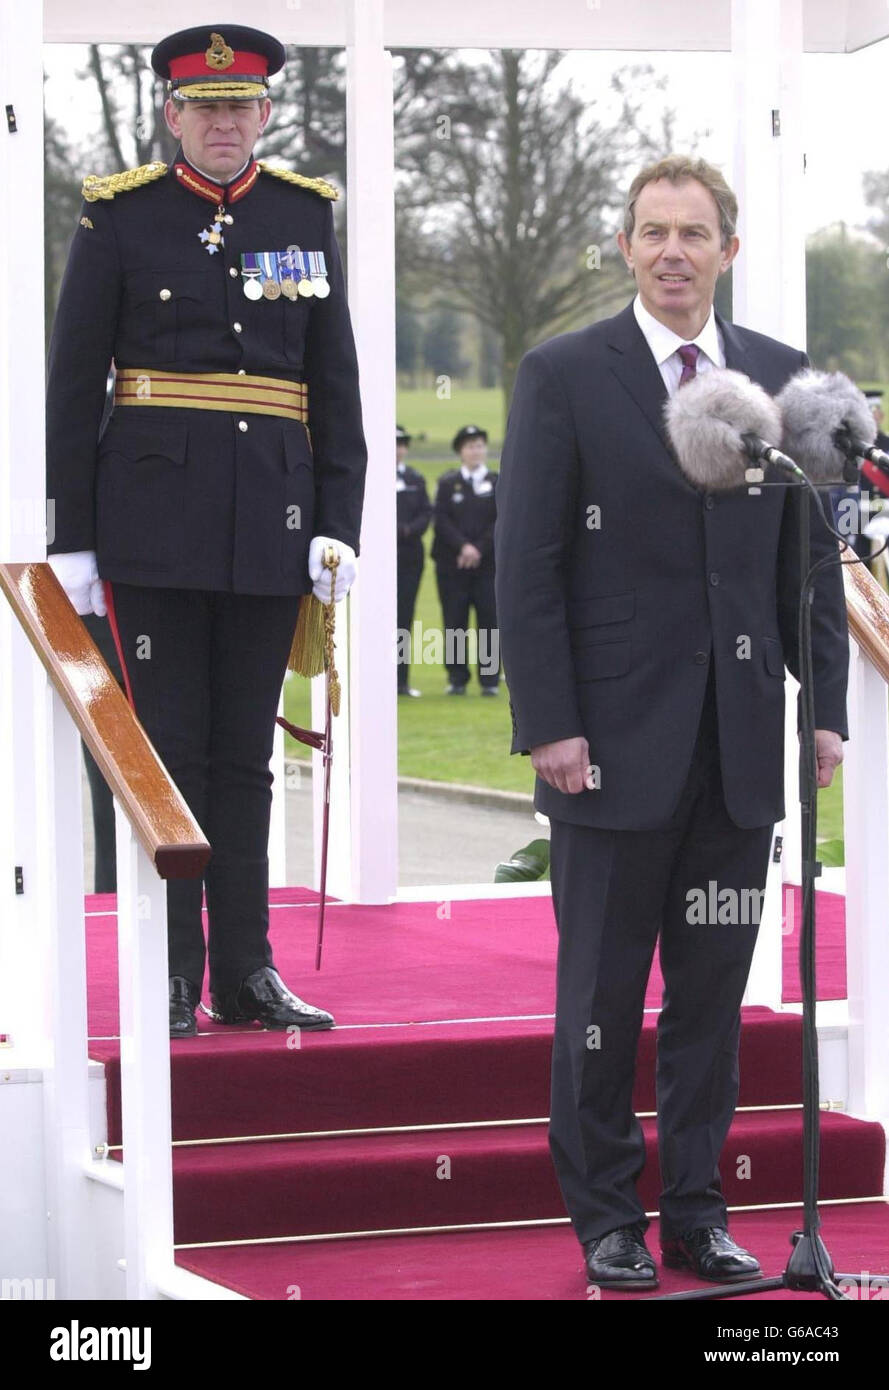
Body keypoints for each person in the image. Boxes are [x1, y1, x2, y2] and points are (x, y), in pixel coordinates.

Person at [494, 155, 848, 1291]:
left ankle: (697, 1210)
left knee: (710, 997)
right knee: (599, 999)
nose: (671, 252)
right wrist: (550, 721)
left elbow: (811, 563)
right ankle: (606, 1216)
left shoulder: (778, 379)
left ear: (726, 251)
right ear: (624, 245)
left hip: (739, 754)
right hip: (605, 750)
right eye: (651, 232)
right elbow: (527, 566)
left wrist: (825, 713)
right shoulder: (563, 374)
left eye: (693, 234)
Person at [45, 25, 367, 1040]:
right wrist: (74, 538)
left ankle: (247, 969)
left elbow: (335, 382)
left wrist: (336, 521)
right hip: (148, 527)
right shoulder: (119, 218)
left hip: (269, 526)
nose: (224, 123)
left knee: (245, 758)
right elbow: (70, 382)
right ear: (171, 115)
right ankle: (171, 972)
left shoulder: (303, 214)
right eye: (205, 107)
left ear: (267, 113)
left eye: (242, 107)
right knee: (168, 752)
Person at [432, 425, 500, 695]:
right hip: (453, 565)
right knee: (454, 620)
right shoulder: (448, 483)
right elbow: (441, 519)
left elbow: (500, 519)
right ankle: (457, 678)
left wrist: (478, 549)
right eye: (470, 446)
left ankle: (490, 680)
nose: (476, 450)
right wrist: (463, 547)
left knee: (489, 620)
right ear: (461, 451)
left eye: (480, 445)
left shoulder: (497, 482)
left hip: (487, 565)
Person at [395, 424, 431, 697]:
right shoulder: (373, 477)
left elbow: (425, 514)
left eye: (402, 444)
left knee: (404, 618)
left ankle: (401, 680)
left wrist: (406, 530)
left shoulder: (415, 479)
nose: (398, 449)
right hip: (380, 558)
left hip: (408, 556)